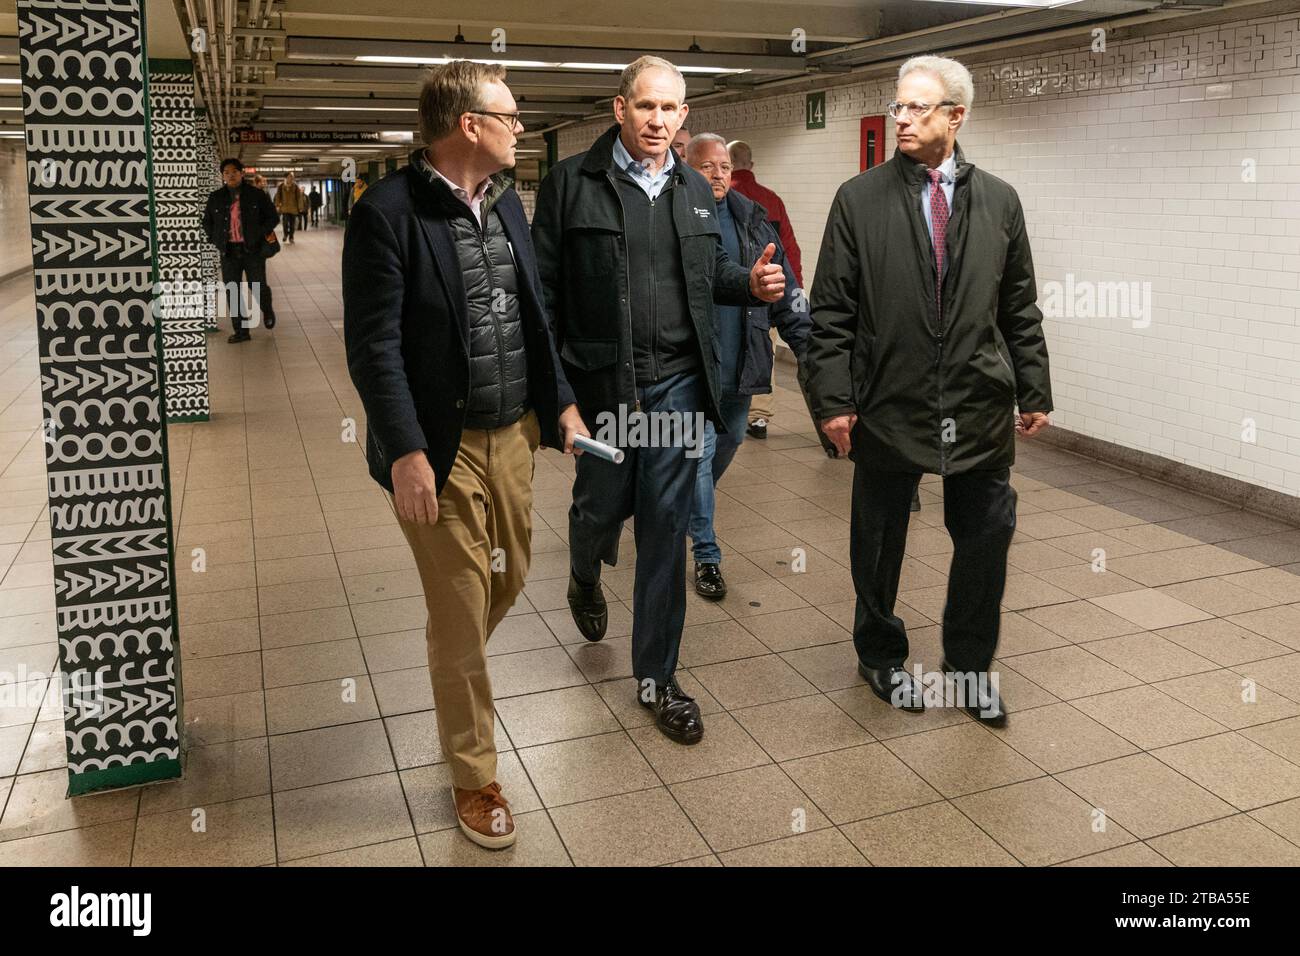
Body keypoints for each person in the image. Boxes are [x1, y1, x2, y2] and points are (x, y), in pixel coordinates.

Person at [343, 60, 582, 850]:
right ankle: (475, 778)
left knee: (506, 576)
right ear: (468, 126)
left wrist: (562, 405)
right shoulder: (388, 214)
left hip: (512, 431)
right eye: (510, 115)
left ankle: (454, 648)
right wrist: (406, 450)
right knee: (458, 608)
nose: (521, 127)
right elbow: (374, 346)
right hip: (438, 445)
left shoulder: (511, 203)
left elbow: (535, 316)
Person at [532, 55, 784, 746]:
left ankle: (657, 679)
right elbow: (542, 297)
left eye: (671, 109)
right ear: (620, 109)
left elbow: (707, 278)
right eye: (646, 107)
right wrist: (555, 395)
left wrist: (749, 287)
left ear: (684, 117)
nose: (659, 120)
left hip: (677, 385)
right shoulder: (570, 185)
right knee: (600, 507)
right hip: (603, 382)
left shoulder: (694, 193)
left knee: (665, 528)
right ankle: (584, 573)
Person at [807, 55, 1053, 726]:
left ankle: (970, 669)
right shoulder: (859, 199)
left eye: (919, 108)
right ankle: (880, 655)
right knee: (879, 537)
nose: (903, 119)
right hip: (889, 399)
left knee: (985, 537)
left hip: (977, 399)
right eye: (898, 107)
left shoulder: (998, 201)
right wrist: (832, 400)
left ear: (956, 115)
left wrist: (1033, 386)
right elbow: (829, 312)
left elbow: (1020, 306)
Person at [684, 133, 809, 600]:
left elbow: (786, 286)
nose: (717, 175)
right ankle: (708, 556)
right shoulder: (675, 214)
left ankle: (679, 507)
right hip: (692, 365)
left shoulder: (752, 217)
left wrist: (809, 346)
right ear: (686, 168)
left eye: (723, 167)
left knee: (729, 441)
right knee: (695, 458)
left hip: (742, 361)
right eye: (706, 167)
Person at [726, 141, 804, 442]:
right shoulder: (772, 200)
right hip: (768, 294)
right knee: (764, 349)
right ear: (752, 165)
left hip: (730, 293)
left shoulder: (718, 198)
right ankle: (759, 416)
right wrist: (791, 288)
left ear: (729, 166)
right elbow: (789, 248)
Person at [202, 157, 279, 343]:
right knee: (233, 290)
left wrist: (259, 233)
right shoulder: (216, 197)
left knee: (257, 286)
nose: (230, 175)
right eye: (226, 173)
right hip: (228, 252)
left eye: (234, 172)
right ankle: (241, 331)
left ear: (241, 173)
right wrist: (216, 239)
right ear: (222, 176)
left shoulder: (256, 195)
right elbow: (207, 222)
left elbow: (273, 217)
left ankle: (267, 310)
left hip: (253, 250)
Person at [274, 172, 303, 243]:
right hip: (284, 208)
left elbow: (299, 197)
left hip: (293, 208)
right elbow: (278, 196)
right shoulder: (281, 186)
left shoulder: (295, 186)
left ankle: (291, 237)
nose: (292, 178)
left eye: (292, 177)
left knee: (292, 224)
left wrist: (300, 207)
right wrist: (277, 205)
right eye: (290, 176)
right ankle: (285, 234)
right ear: (286, 177)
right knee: (285, 223)